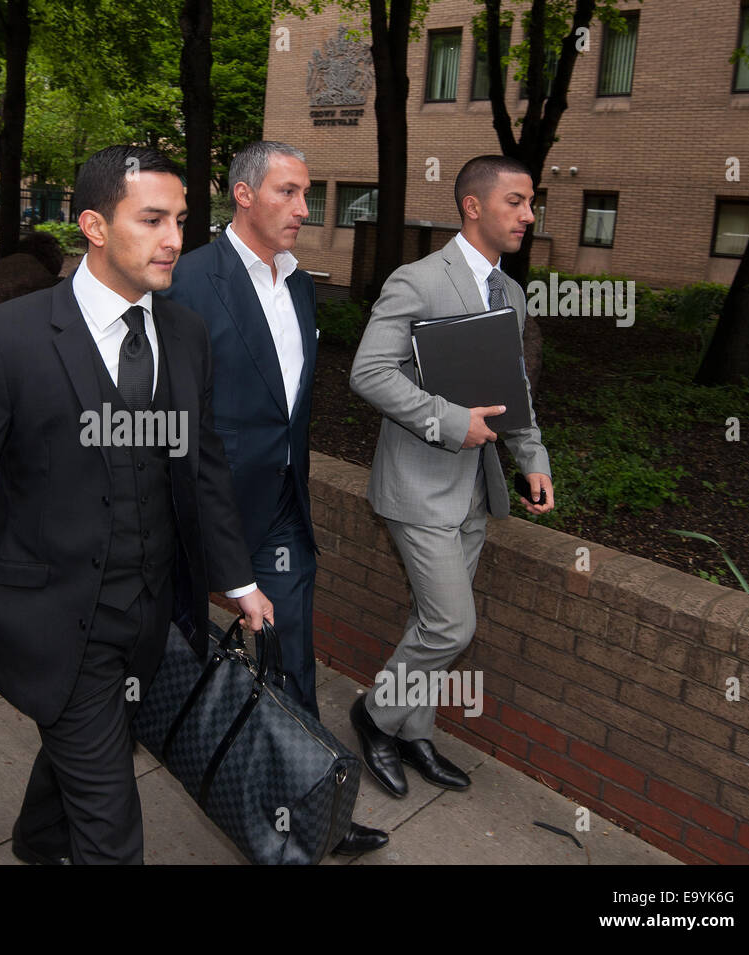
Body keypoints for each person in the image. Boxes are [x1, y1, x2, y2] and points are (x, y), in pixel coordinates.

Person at [0, 145, 274, 865]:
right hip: (56, 620)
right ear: (95, 226)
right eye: (153, 219)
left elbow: (203, 466)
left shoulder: (186, 336)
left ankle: (40, 842)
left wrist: (237, 577)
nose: (175, 239)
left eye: (182, 220)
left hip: (151, 618)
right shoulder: (9, 338)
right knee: (111, 831)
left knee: (83, 756)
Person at [166, 140, 387, 857]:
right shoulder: (187, 279)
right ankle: (61, 809)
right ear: (243, 194)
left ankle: (311, 811)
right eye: (290, 193)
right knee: (139, 663)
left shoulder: (299, 283)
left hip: (283, 509)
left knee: (293, 658)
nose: (305, 209)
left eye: (308, 194)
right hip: (195, 514)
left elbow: (290, 405)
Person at [348, 154, 554, 798]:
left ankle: (414, 732)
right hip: (417, 487)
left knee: (429, 621)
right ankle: (375, 716)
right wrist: (446, 420)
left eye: (530, 203)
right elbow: (369, 372)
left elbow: (510, 387)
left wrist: (533, 459)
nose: (528, 215)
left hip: (474, 490)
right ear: (473, 205)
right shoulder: (417, 280)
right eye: (516, 202)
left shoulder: (511, 294)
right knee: (450, 627)